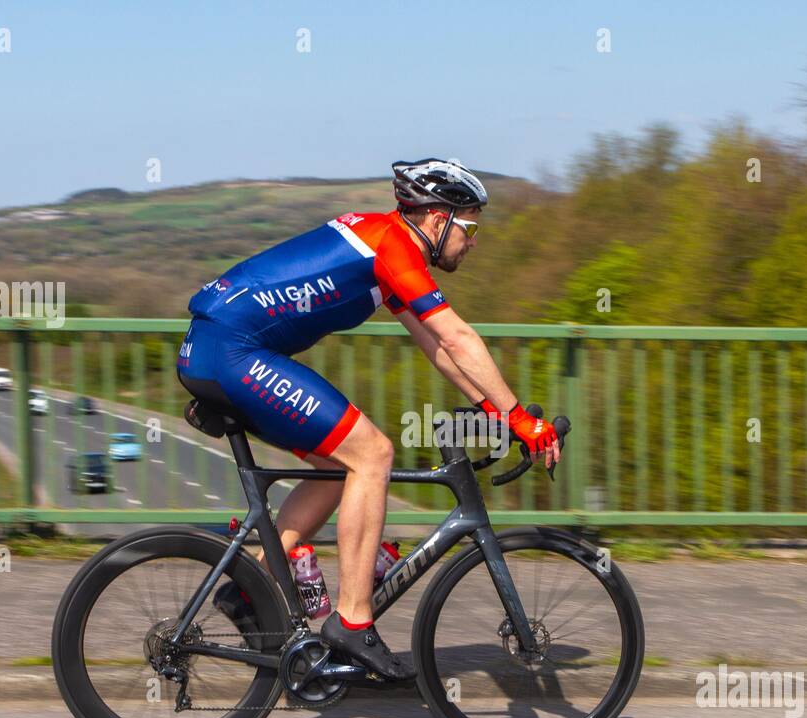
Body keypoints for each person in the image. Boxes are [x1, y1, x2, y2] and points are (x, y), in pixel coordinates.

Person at [177, 159, 560, 680]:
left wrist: (494, 407)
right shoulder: (392, 245)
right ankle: (353, 623)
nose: (473, 241)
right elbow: (458, 337)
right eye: (469, 227)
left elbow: (435, 346)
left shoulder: (385, 243)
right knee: (372, 453)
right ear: (434, 219)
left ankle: (253, 586)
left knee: (340, 468)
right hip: (232, 352)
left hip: (215, 349)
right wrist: (520, 419)